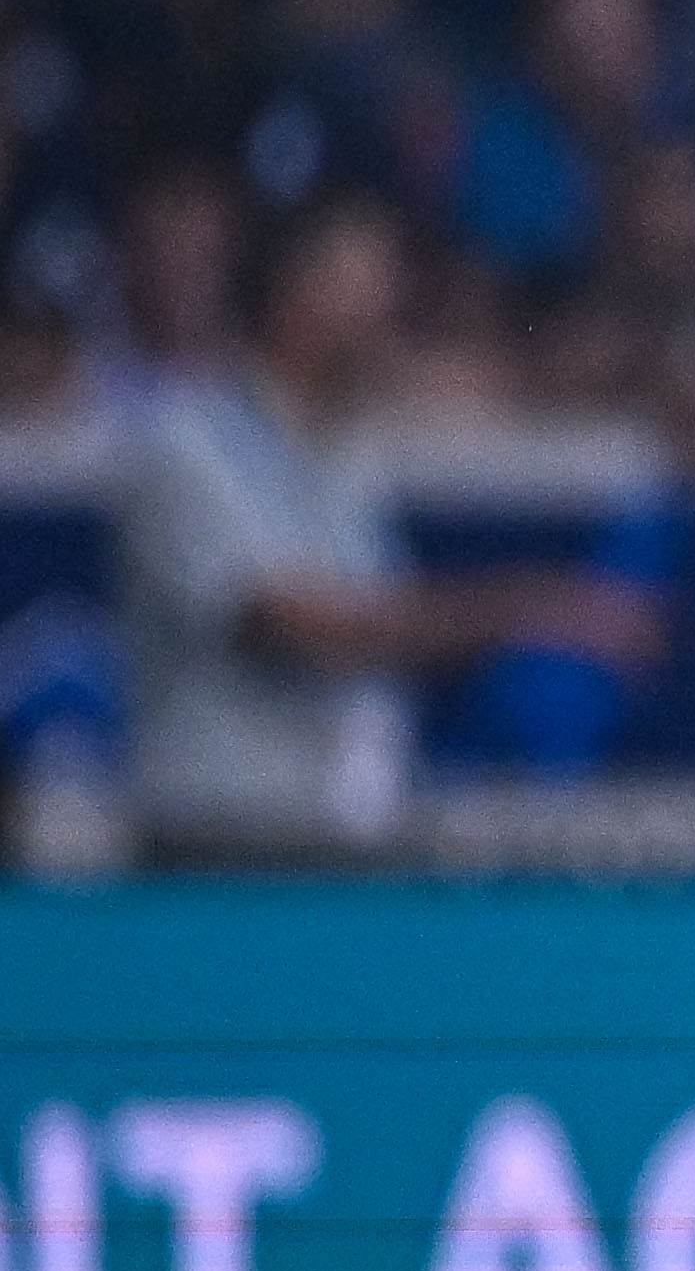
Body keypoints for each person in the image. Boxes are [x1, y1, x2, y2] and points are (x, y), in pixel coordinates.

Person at [114, 190, 662, 866]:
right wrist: (530, 610)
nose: (390, 304)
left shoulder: (346, 455)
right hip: (219, 847)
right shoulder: (187, 441)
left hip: (340, 842)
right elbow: (287, 623)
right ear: (297, 292)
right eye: (367, 278)